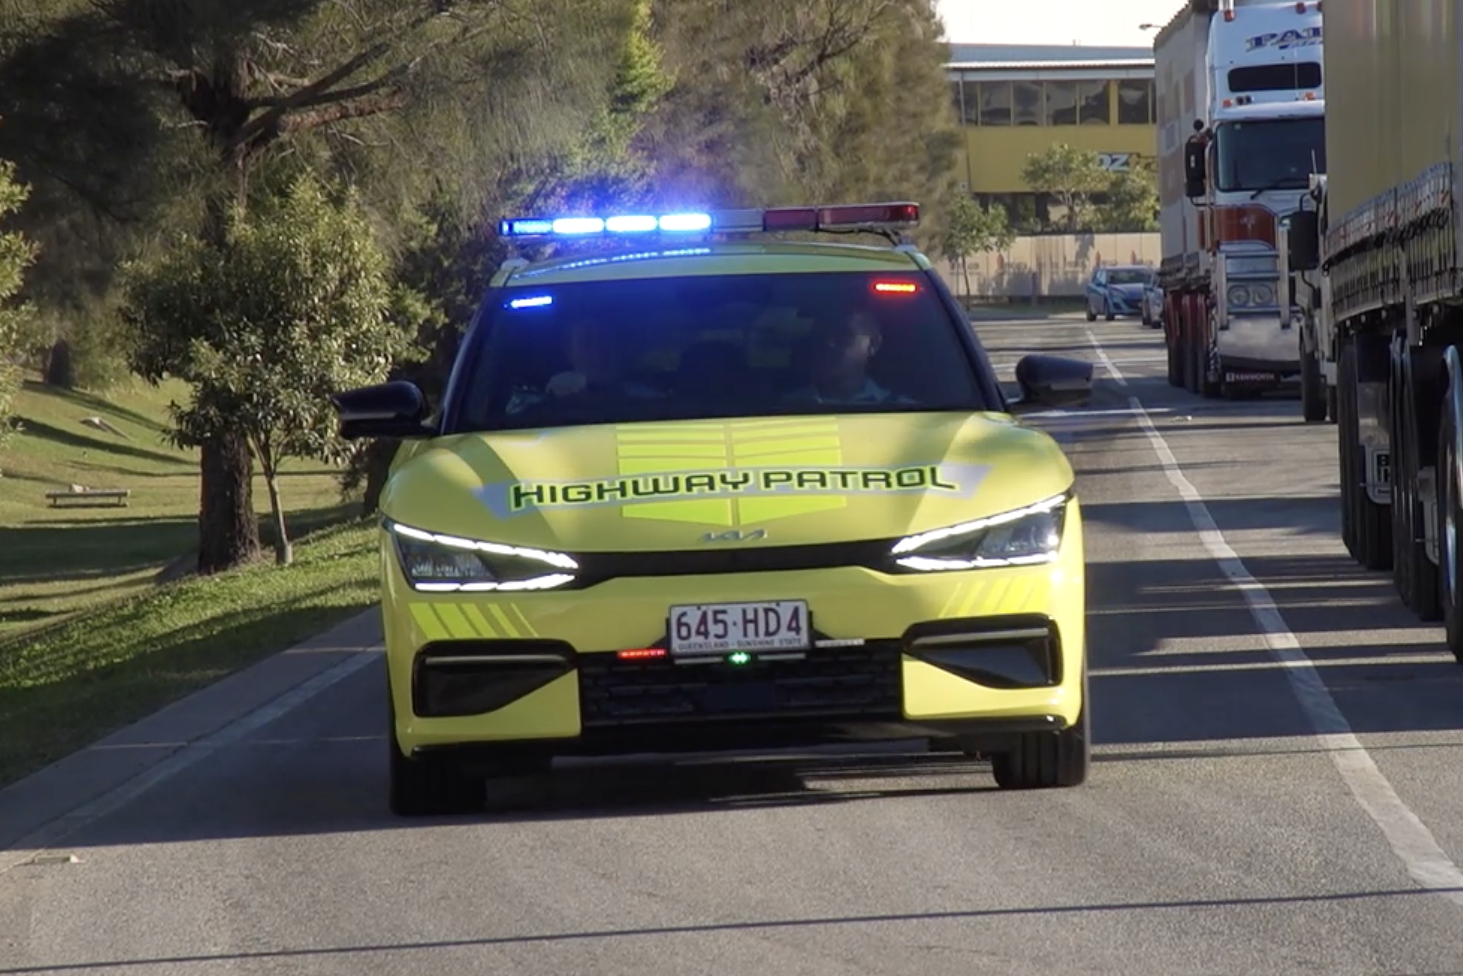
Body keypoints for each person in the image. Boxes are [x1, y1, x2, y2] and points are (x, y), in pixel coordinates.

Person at [505, 316, 661, 414]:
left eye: (607, 339)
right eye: (587, 341)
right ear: (568, 351)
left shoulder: (654, 403)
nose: (599, 350)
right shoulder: (529, 407)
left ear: (621, 349)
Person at [783, 308, 912, 405]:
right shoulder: (785, 408)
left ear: (873, 344)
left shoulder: (904, 411)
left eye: (843, 336)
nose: (829, 344)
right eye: (821, 336)